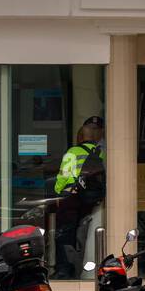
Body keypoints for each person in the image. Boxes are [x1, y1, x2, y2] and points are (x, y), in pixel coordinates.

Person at [53, 116, 106, 278]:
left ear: (81, 135)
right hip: (92, 203)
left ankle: (65, 270)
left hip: (72, 200)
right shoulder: (103, 153)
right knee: (84, 236)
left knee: (65, 235)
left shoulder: (73, 152)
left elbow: (62, 180)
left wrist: (58, 191)